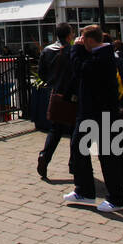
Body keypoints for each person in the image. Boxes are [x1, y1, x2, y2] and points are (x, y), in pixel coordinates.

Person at [63, 25, 123, 212]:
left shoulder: (104, 56)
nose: (79, 42)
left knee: (108, 156)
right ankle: (84, 191)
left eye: (82, 39)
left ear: (89, 40)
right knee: (78, 150)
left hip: (102, 113)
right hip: (89, 112)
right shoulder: (97, 55)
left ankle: (115, 199)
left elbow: (82, 70)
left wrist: (75, 50)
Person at [36, 23, 75, 179]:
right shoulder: (73, 51)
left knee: (56, 129)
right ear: (69, 35)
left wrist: (52, 83)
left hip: (55, 94)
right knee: (75, 131)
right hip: (72, 95)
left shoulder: (47, 50)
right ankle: (74, 164)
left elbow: (41, 73)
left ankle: (45, 156)